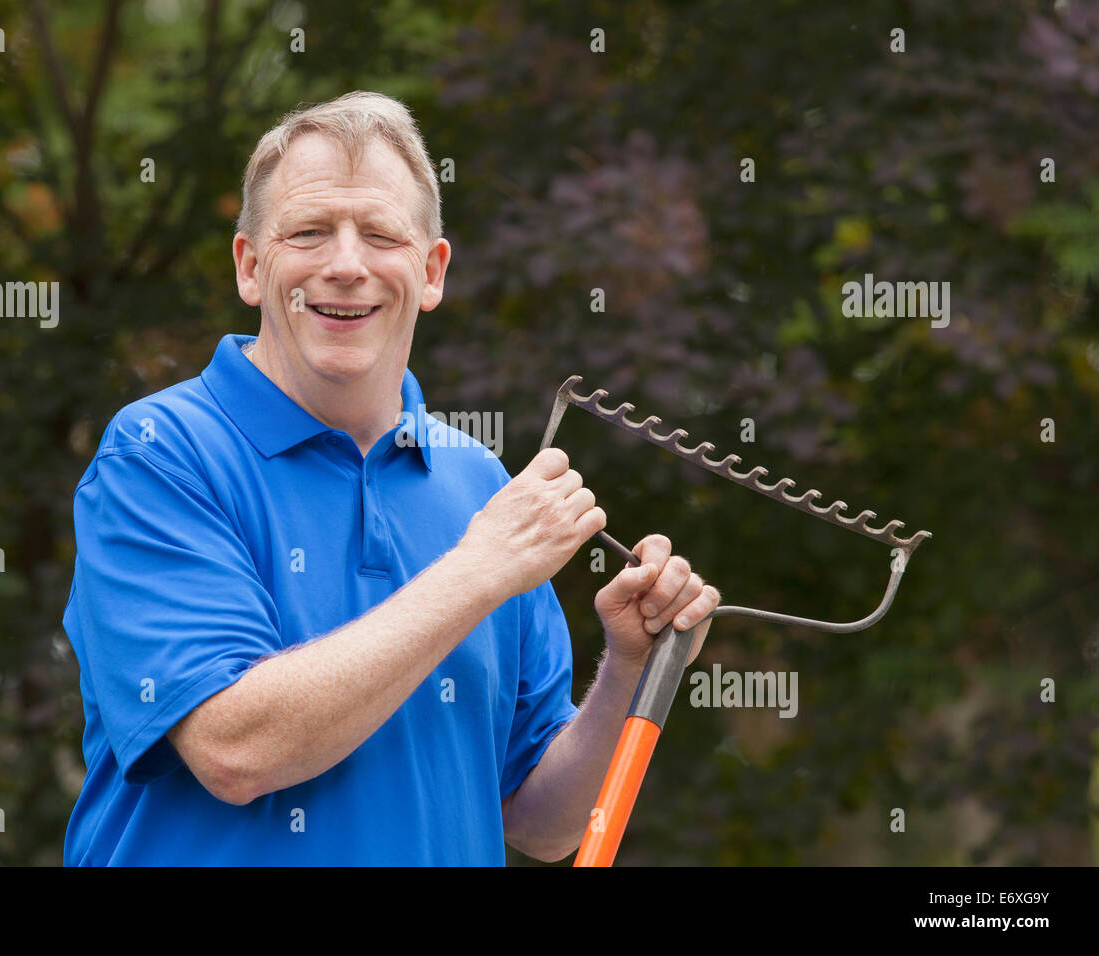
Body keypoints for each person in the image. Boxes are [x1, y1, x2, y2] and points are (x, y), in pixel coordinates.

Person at [61, 90, 720, 865]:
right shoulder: (160, 455)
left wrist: (630, 670)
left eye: (380, 235)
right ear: (249, 265)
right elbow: (235, 749)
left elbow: (544, 825)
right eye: (308, 232)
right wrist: (476, 572)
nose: (346, 265)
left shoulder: (481, 487)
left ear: (432, 272)